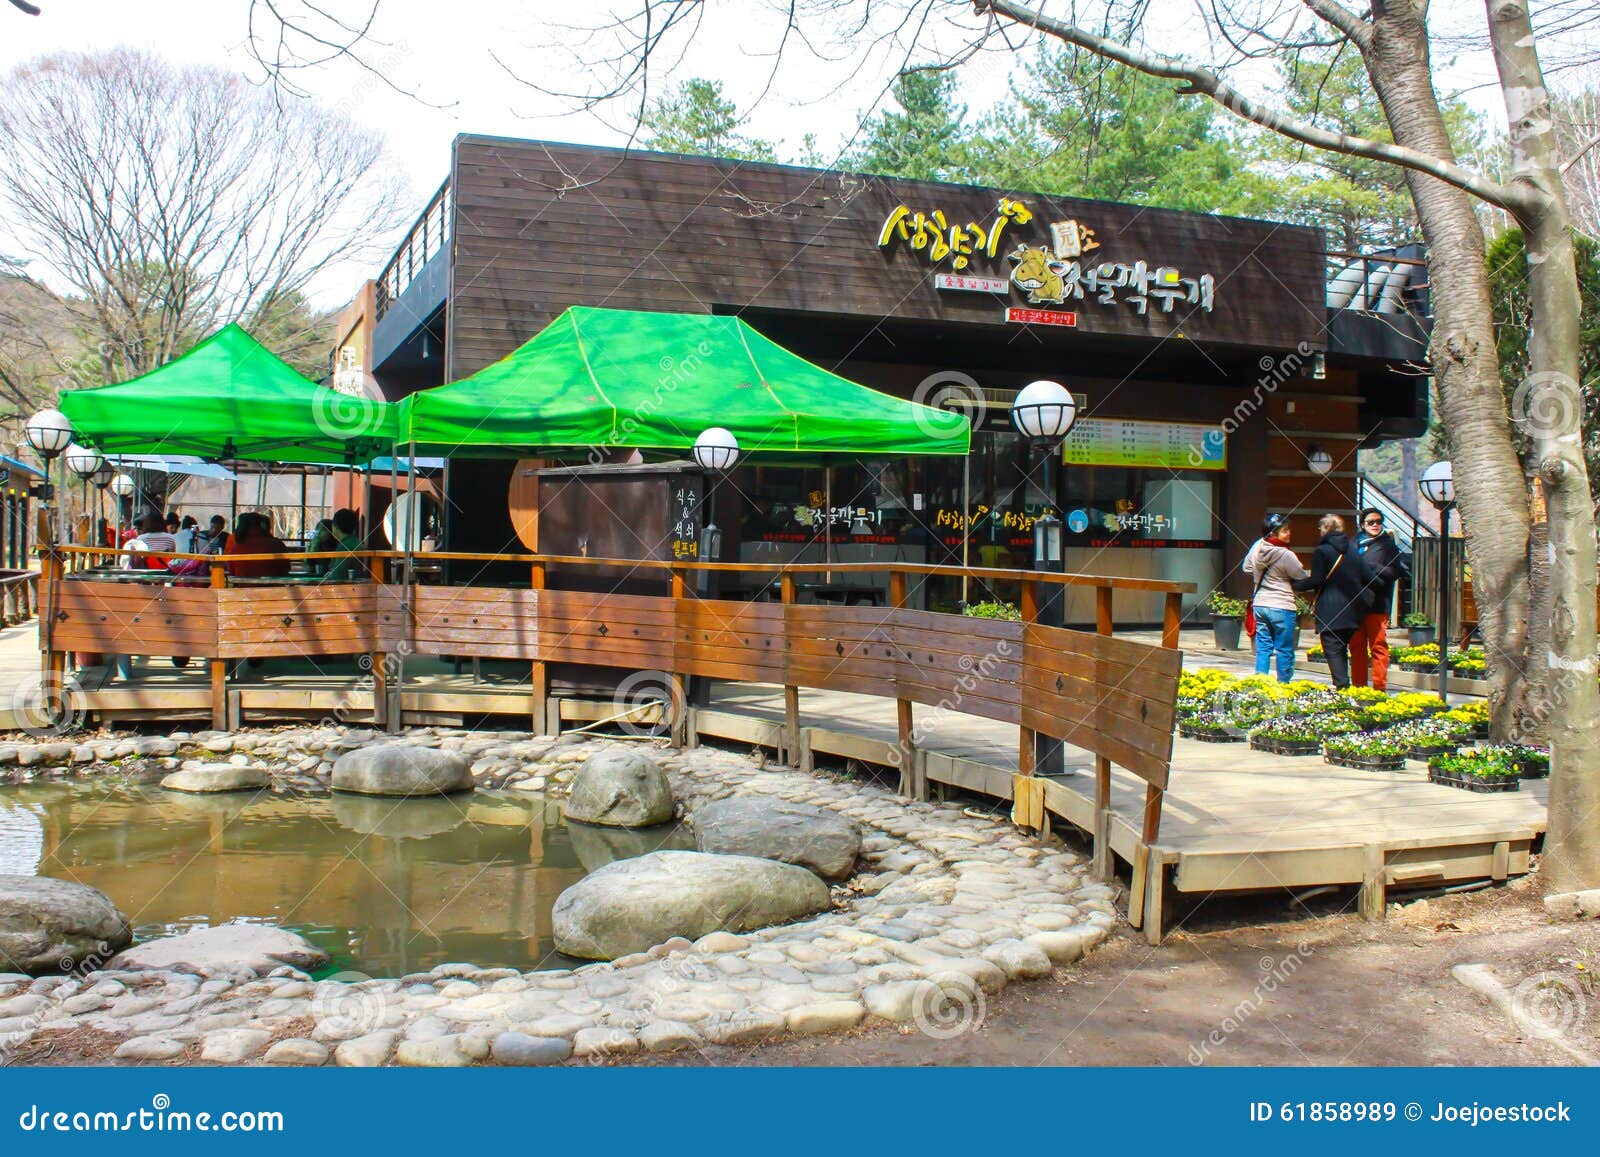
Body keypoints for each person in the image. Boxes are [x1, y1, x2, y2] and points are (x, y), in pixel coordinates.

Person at [1294, 513, 1376, 688]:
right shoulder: (1353, 550)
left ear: (1325, 529)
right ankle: (1346, 686)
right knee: (1342, 648)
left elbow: (1317, 580)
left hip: (1330, 610)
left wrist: (1296, 585)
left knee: (1333, 649)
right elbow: (1369, 577)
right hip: (1353, 610)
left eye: (1320, 528)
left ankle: (1342, 688)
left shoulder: (1322, 551)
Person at [1242, 513, 1308, 682]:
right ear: (1273, 533)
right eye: (1284, 530)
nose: (1289, 533)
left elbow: (1247, 568)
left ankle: (1261, 682)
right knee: (1284, 649)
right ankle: (1283, 684)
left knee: (1263, 647)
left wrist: (1260, 576)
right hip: (1282, 605)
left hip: (1260, 604)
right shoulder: (1286, 554)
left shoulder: (1258, 546)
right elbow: (1300, 576)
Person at [1353, 508, 1408, 691]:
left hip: (1377, 603)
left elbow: (1395, 572)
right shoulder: (1354, 544)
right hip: (1355, 604)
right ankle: (1359, 688)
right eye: (1371, 522)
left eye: (1379, 521)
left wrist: (1373, 567)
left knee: (1378, 646)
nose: (1375, 525)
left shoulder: (1388, 545)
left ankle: (1379, 688)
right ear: (1362, 525)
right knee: (1356, 647)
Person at [224, 512, 291, 578]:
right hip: (274, 584)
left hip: (243, 584)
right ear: (261, 525)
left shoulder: (236, 546)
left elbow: (231, 570)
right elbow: (286, 568)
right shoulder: (276, 544)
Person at [323, 508, 364, 581]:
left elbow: (338, 575)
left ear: (335, 526)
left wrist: (330, 575)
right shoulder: (355, 542)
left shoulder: (345, 546)